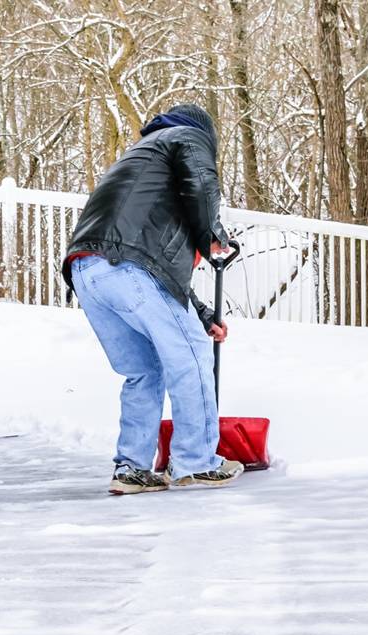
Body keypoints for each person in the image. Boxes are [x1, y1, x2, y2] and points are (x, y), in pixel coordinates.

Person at [62, 103, 244, 495]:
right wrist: (214, 232)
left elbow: (156, 270)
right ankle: (197, 462)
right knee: (193, 353)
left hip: (88, 271)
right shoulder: (187, 136)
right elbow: (201, 183)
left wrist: (202, 313)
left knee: (145, 370)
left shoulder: (142, 161)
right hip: (128, 268)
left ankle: (132, 469)